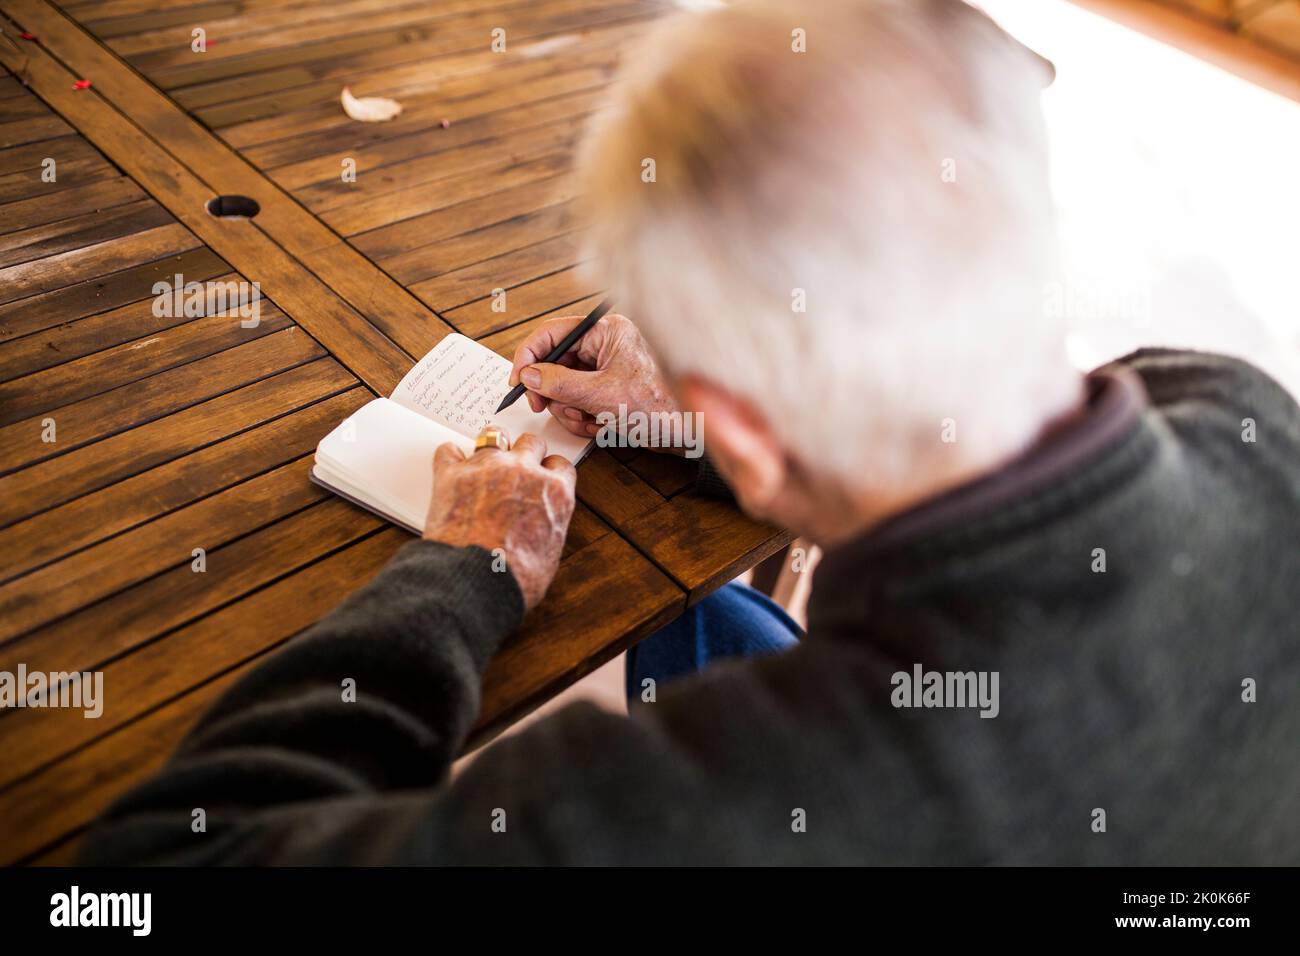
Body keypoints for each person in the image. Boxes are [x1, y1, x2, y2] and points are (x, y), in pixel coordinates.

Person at [82, 0, 1299, 865]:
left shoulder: (740, 806)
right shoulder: (1240, 408)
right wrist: (694, 421)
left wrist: (459, 570)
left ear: (749, 437)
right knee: (707, 615)